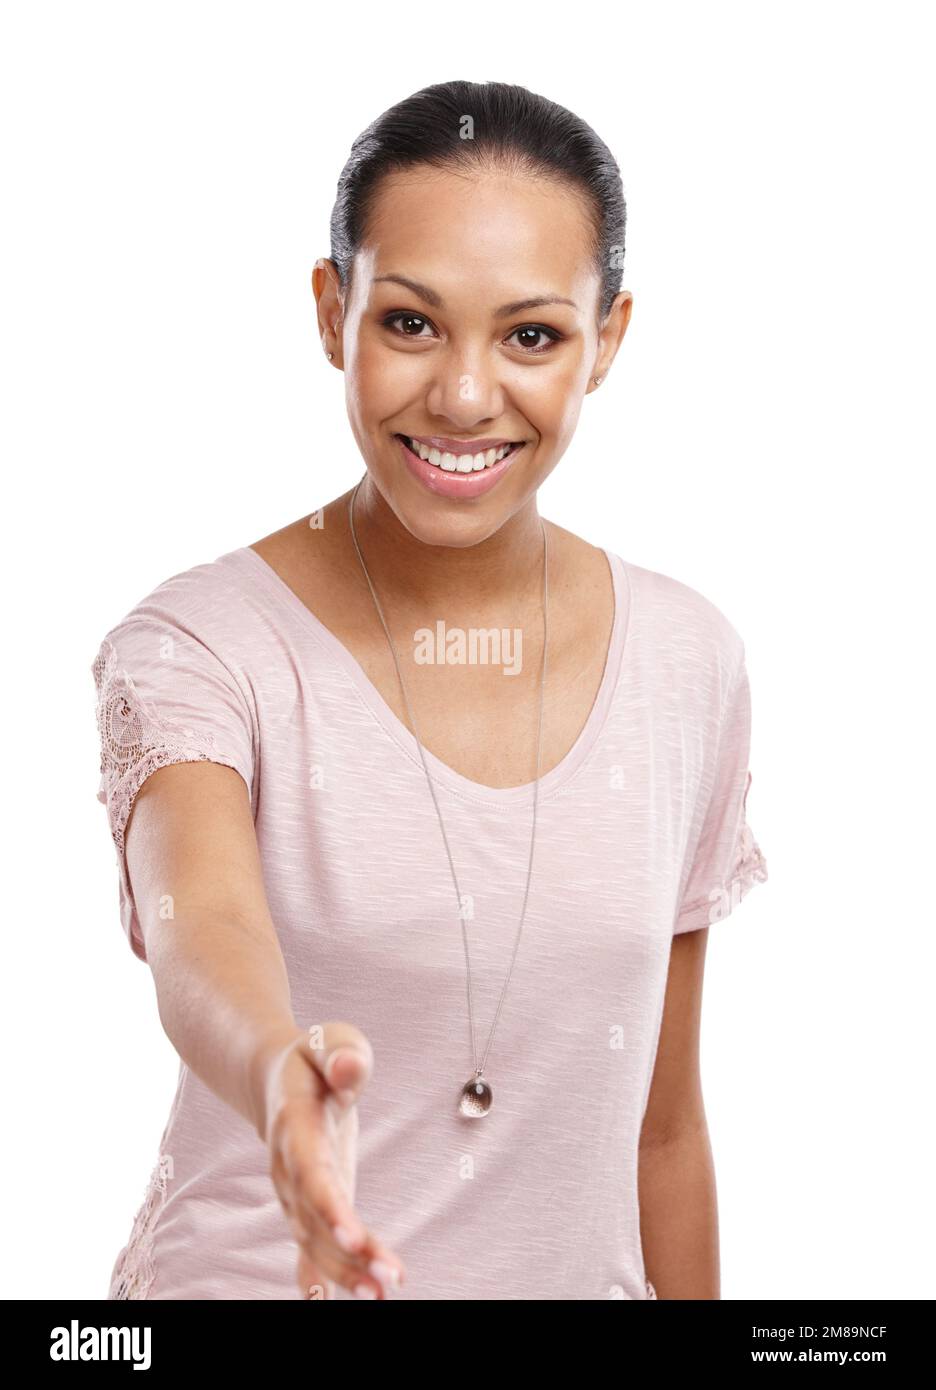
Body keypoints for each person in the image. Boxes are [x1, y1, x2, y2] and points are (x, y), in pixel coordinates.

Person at [91, 79, 768, 1301]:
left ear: (606, 340)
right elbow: (207, 930)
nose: (463, 396)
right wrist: (276, 1071)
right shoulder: (200, 642)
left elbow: (661, 1129)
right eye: (409, 324)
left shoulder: (688, 662)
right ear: (331, 309)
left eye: (530, 335)